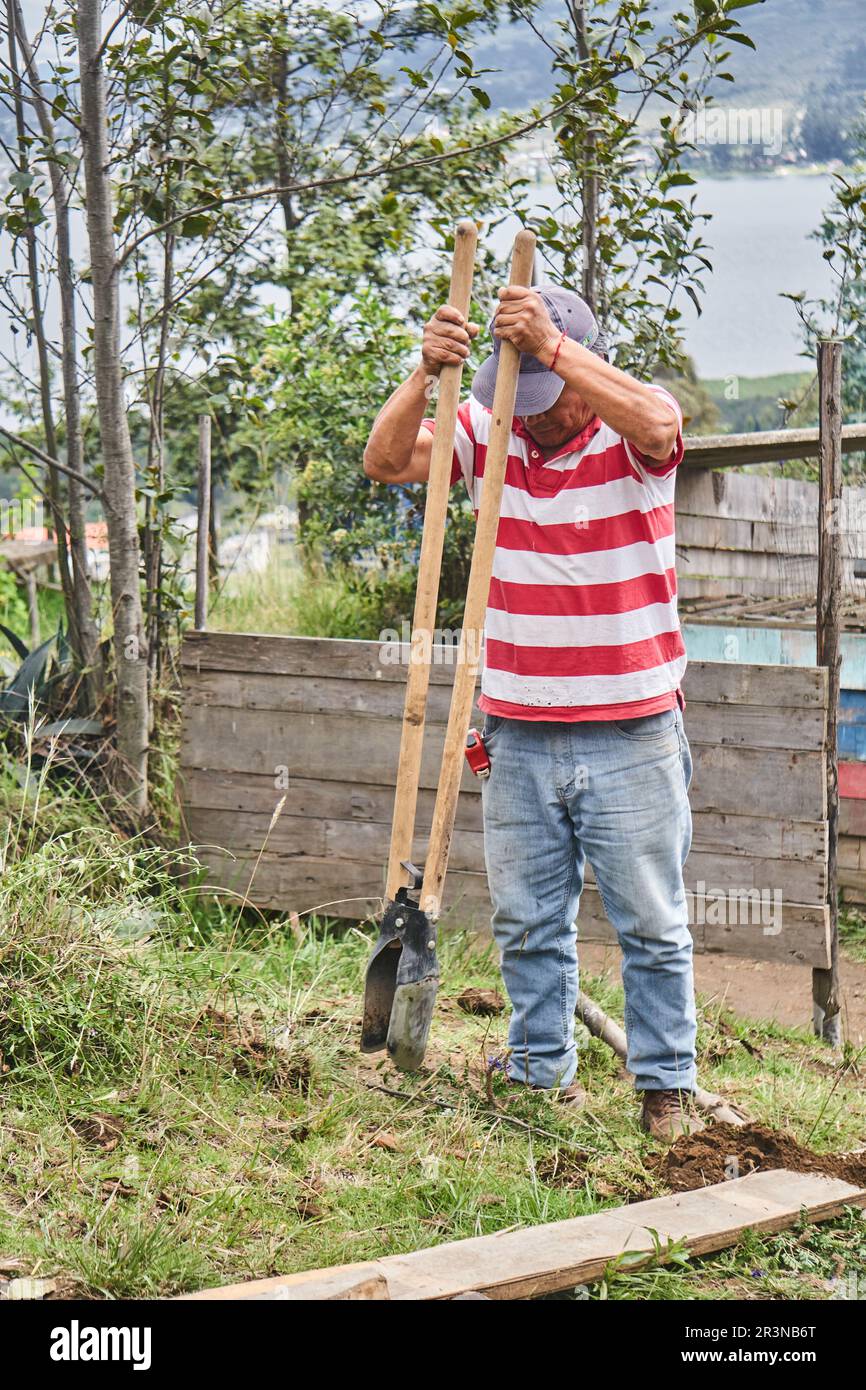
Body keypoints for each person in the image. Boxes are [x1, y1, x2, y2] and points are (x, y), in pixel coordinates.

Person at [363, 281, 702, 1141]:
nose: (538, 416)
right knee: (527, 918)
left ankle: (665, 1085)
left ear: (578, 369)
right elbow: (388, 459)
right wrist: (423, 371)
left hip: (630, 729)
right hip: (514, 727)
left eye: (550, 397)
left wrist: (551, 350)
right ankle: (538, 1067)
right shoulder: (493, 426)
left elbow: (662, 426)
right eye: (524, 396)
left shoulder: (633, 433)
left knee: (652, 922)